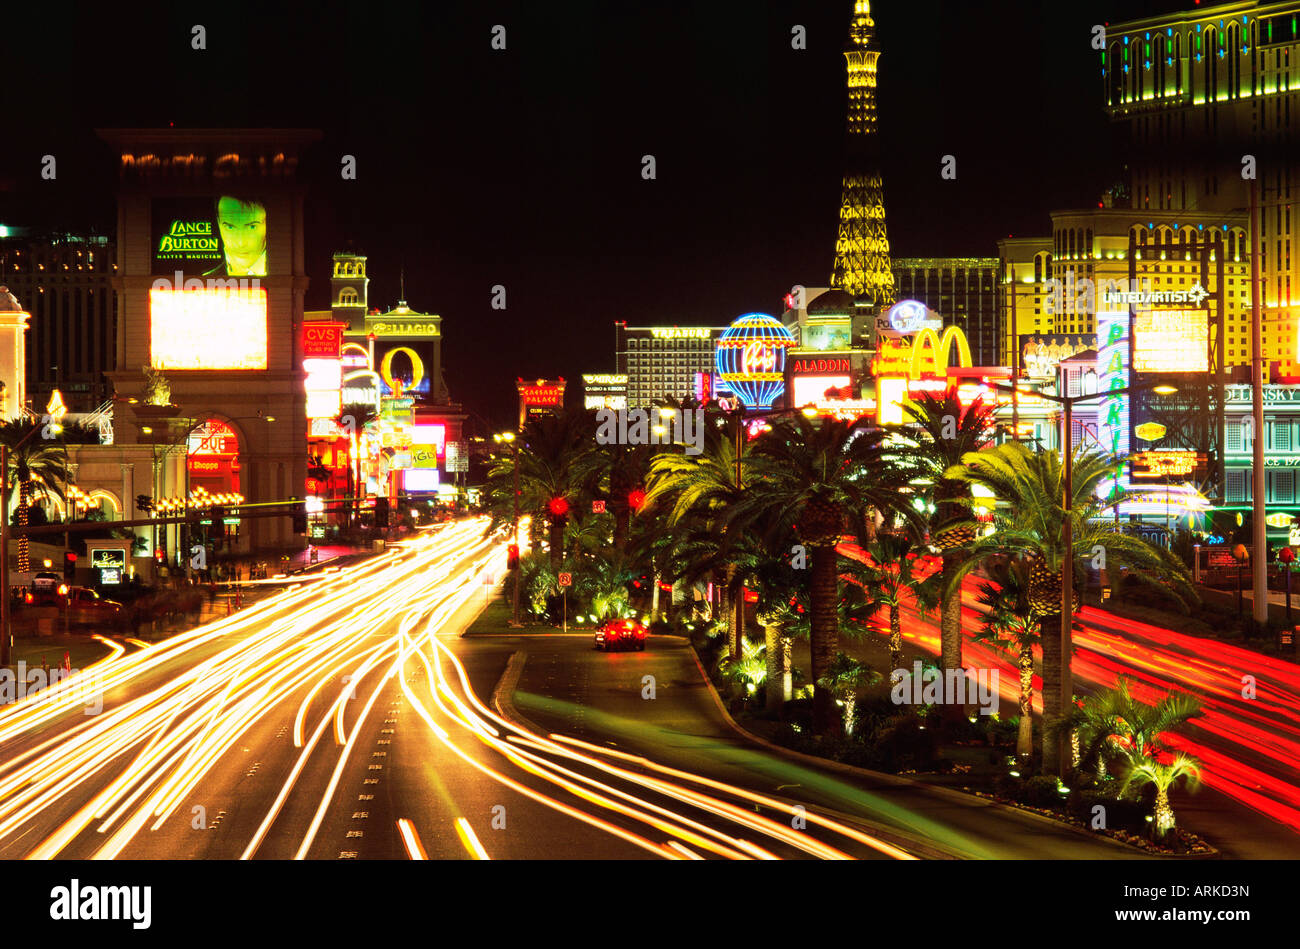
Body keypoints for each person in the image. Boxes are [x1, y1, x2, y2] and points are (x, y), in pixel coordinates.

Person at [203, 196, 267, 277]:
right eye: (230, 227)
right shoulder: (204, 281)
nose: (241, 243)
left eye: (252, 227)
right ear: (218, 223)